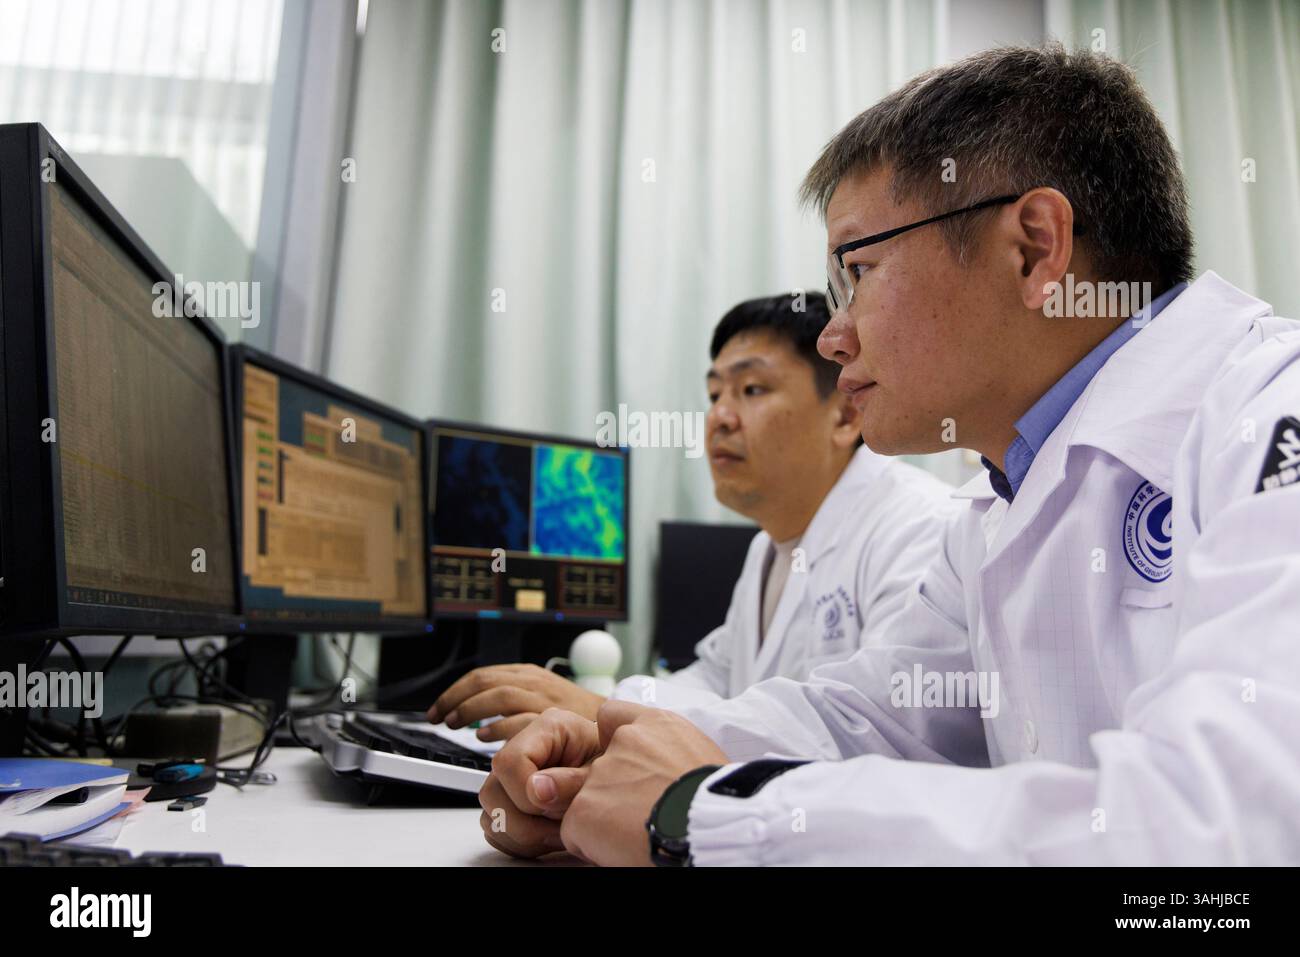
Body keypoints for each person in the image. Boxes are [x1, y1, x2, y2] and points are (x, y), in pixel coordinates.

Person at [478, 44, 1300, 865]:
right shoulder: (996, 506)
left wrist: (707, 809)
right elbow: (871, 717)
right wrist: (608, 751)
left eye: (858, 271)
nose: (834, 337)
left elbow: (1233, 825)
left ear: (1035, 248)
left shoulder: (1268, 411)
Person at [426, 294, 953, 741]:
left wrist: (603, 714)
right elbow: (714, 680)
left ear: (844, 414)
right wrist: (596, 711)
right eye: (714, 394)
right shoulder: (769, 548)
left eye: (751, 390)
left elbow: (871, 731)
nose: (720, 417)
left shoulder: (918, 527)